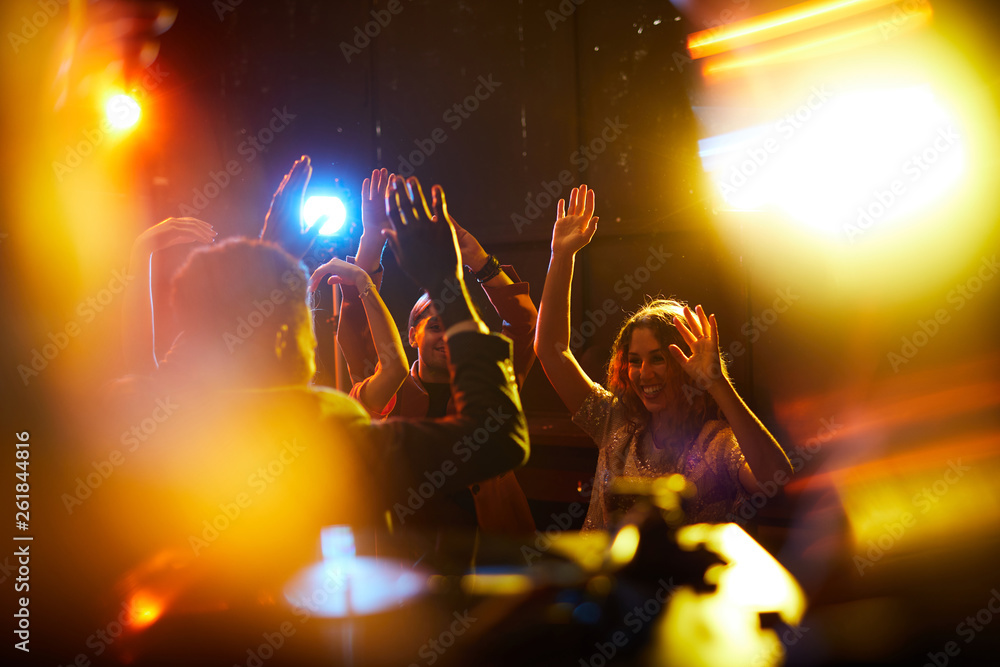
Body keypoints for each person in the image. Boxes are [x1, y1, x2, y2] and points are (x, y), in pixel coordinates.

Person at [100, 171, 529, 608]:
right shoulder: (332, 440)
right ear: (290, 339)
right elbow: (498, 437)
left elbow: (145, 373)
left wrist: (263, 262)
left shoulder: (184, 430)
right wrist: (447, 282)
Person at [533, 184, 792, 530]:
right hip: (604, 583)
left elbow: (776, 481)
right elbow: (551, 351)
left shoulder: (716, 443)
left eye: (658, 359)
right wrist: (561, 256)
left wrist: (718, 383)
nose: (644, 373)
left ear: (685, 365)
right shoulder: (617, 423)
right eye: (635, 361)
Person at [334, 168, 537, 536]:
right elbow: (356, 321)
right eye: (436, 326)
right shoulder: (388, 387)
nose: (446, 337)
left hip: (497, 562)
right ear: (412, 335)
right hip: (408, 571)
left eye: (452, 324)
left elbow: (525, 327)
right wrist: (371, 239)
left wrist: (478, 259)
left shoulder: (489, 381)